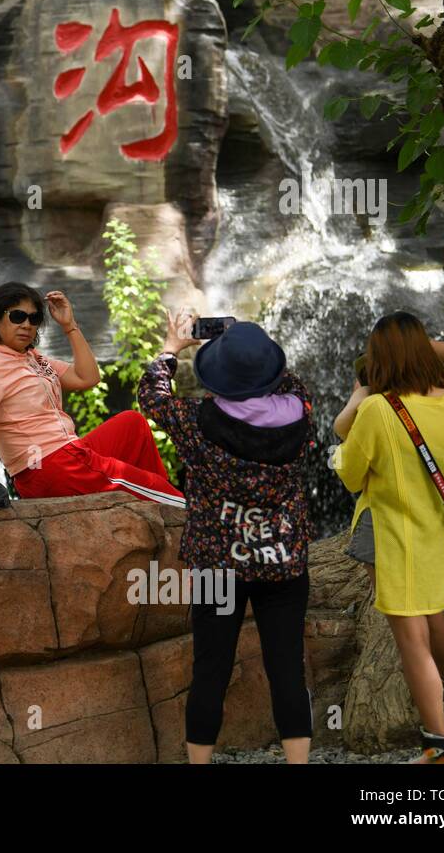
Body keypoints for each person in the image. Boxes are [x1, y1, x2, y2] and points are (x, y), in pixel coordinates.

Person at [138, 308, 318, 764]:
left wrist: (172, 348)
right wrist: (248, 351)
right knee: (287, 671)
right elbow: (288, 382)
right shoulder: (302, 413)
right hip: (282, 563)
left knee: (210, 671)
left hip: (218, 566)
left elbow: (152, 397)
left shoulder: (197, 424)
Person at [331, 311, 444, 763]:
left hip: (400, 547)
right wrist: (418, 343)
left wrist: (356, 400)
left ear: (380, 362)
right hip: (440, 538)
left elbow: (351, 473)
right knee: (436, 618)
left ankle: (440, 745)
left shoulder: (378, 410)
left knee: (412, 644)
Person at [0, 282, 184, 508]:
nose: (26, 324)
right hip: (50, 465)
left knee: (131, 424)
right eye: (17, 316)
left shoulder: (34, 359)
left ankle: (154, 504)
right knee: (171, 499)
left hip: (69, 453)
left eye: (33, 319)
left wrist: (69, 326)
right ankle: (169, 504)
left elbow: (87, 377)